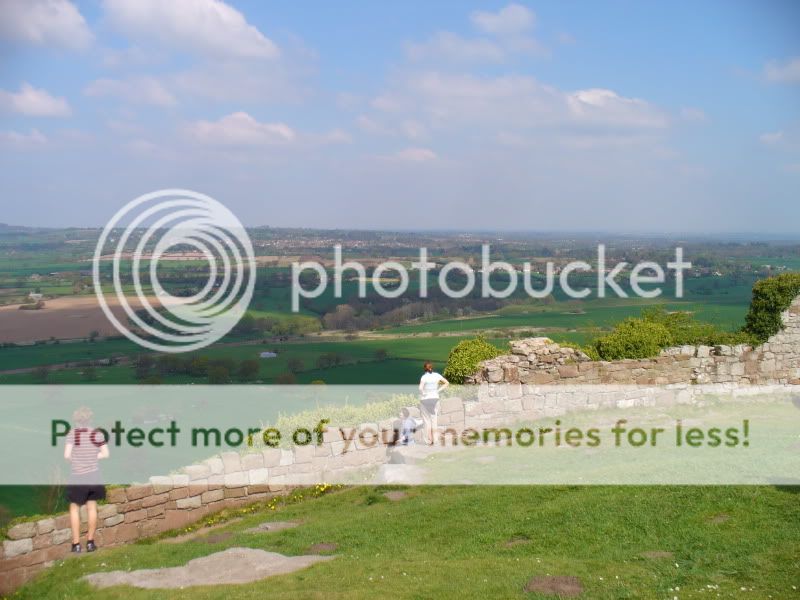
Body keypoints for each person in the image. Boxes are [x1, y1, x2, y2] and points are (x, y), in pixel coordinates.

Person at [64, 407, 109, 553]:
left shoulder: (72, 434)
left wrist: (76, 461)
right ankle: (90, 543)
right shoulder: (97, 434)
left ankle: (76, 544)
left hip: (78, 476)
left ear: (76, 420)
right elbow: (105, 454)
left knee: (74, 508)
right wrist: (93, 458)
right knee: (92, 507)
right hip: (94, 475)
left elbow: (67, 456)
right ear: (90, 419)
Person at [418, 362, 449, 445]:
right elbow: (447, 383)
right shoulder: (437, 375)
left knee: (426, 420)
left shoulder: (424, 377)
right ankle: (435, 440)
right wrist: (438, 390)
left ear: (425, 369)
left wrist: (423, 393)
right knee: (434, 420)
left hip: (425, 400)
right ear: (432, 367)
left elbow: (420, 388)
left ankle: (428, 441)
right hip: (435, 398)